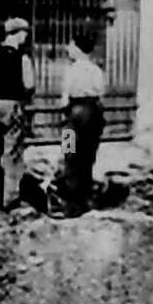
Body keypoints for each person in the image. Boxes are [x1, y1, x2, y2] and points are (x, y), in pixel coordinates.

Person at [0, 16, 35, 210]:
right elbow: (29, 85)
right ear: (19, 33)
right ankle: (9, 198)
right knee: (12, 154)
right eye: (25, 33)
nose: (26, 37)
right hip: (12, 104)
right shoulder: (23, 58)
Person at [59, 26, 106, 216]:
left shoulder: (71, 70)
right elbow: (101, 92)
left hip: (74, 113)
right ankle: (85, 197)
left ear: (77, 48)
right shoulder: (96, 70)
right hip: (93, 112)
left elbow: (65, 96)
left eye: (71, 45)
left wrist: (65, 114)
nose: (68, 49)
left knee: (69, 153)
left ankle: (71, 201)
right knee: (88, 154)